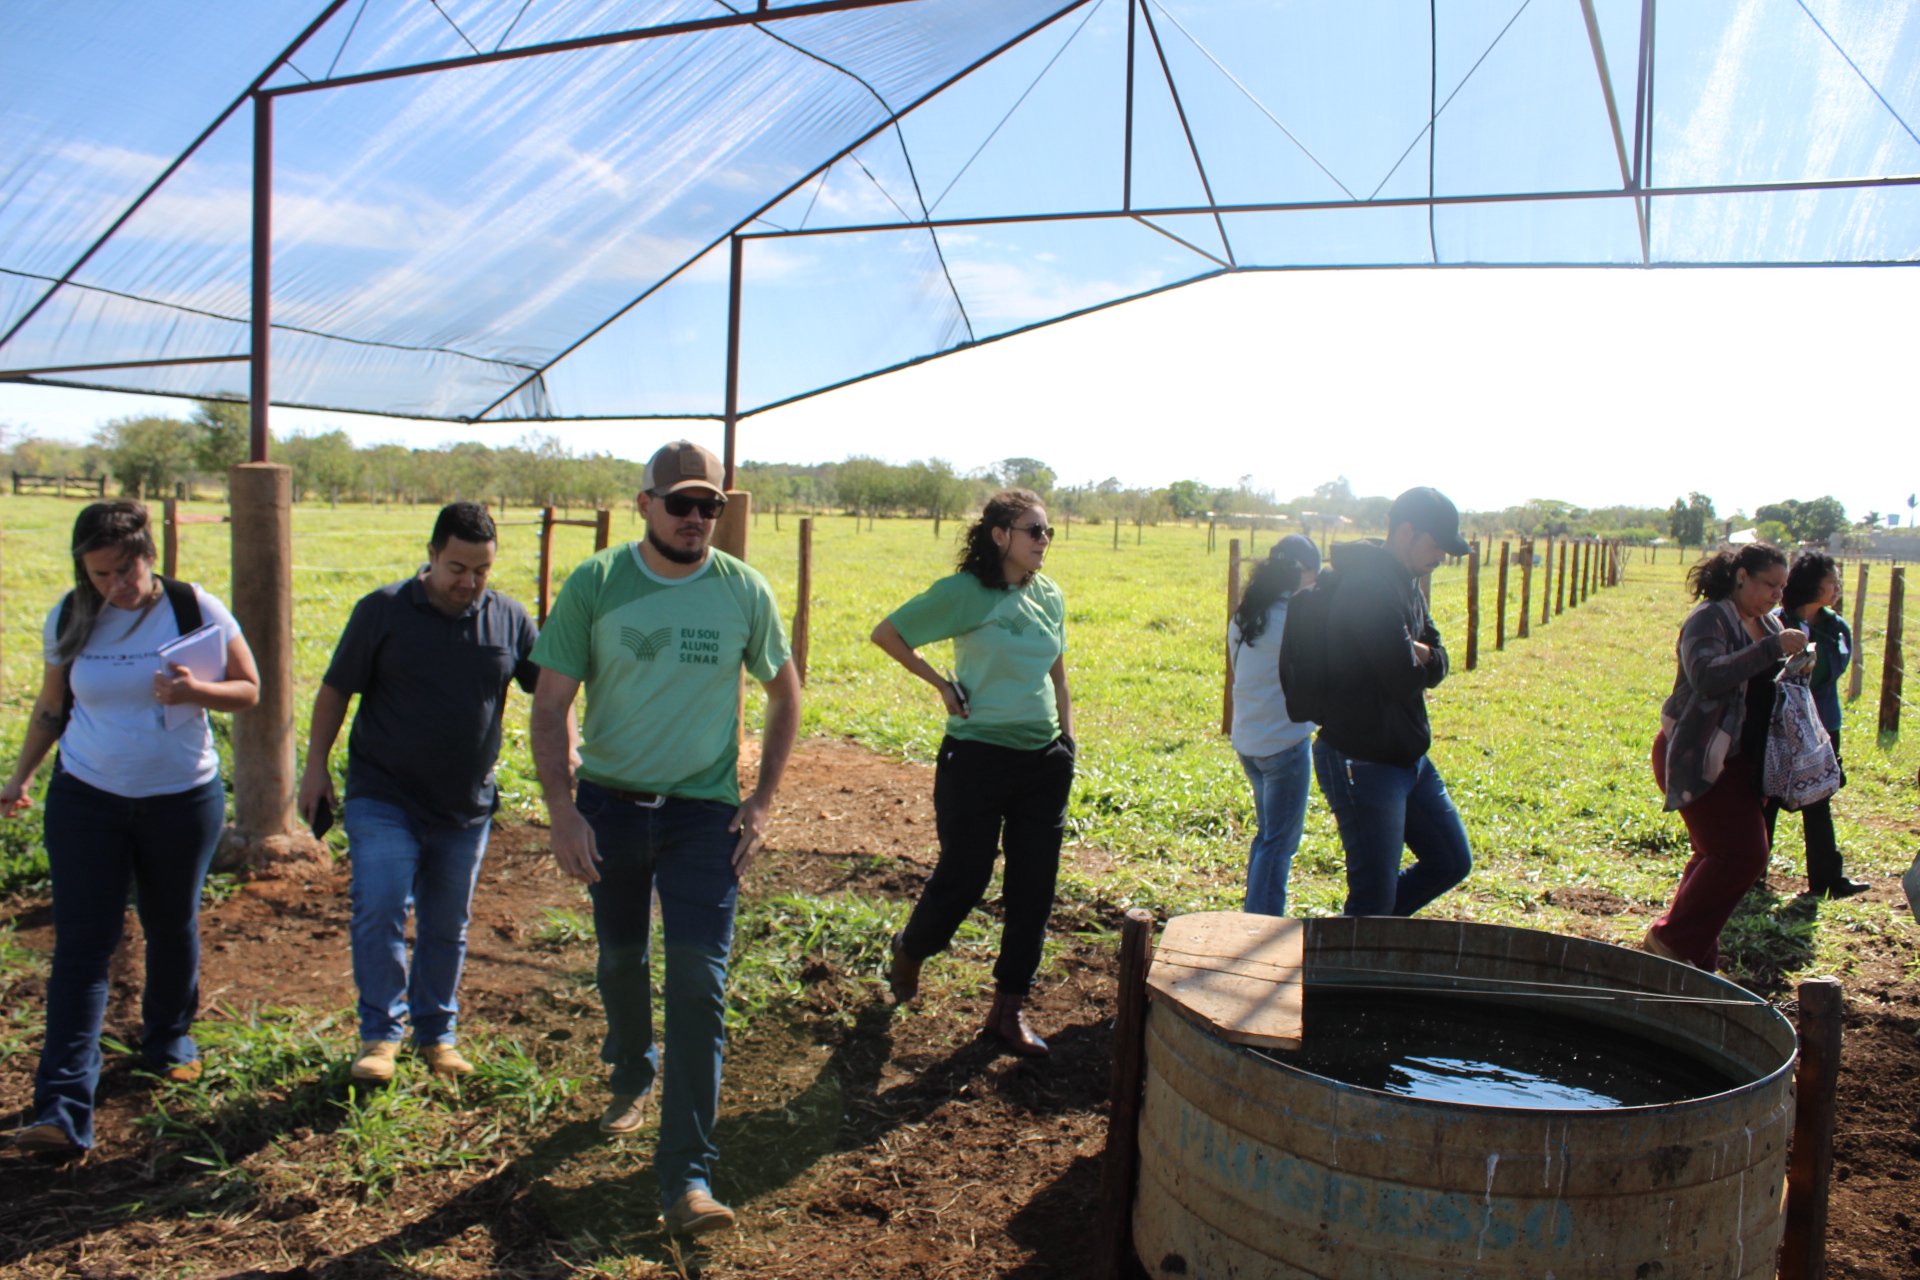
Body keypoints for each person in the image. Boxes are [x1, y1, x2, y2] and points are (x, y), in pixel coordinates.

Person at [528, 440, 800, 1239]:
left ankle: (686, 1177)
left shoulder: (743, 591)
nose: (694, 518)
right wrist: (562, 809)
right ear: (645, 504)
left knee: (698, 984)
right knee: (619, 957)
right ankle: (630, 1068)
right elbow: (549, 706)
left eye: (708, 505)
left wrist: (762, 801)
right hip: (608, 808)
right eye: (679, 503)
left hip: (699, 819)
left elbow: (786, 697)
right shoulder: (599, 583)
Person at [1, 502, 259, 1155]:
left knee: (170, 924)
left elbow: (249, 688)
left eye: (123, 570)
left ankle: (169, 1042)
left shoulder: (194, 606)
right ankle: (60, 1107)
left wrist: (194, 694)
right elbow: (52, 706)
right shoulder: (70, 614)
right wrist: (20, 776)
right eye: (98, 574)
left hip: (181, 800)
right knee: (83, 947)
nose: (114, 586)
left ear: (148, 553)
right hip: (87, 797)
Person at [297, 502, 543, 1084]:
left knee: (445, 923)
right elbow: (335, 691)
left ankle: (437, 1035)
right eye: (457, 567)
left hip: (465, 805)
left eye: (481, 569)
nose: (469, 582)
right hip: (384, 794)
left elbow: (550, 687)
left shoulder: (507, 618)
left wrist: (574, 748)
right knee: (380, 906)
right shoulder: (383, 611)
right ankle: (380, 1036)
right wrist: (315, 769)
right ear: (432, 555)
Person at [872, 488, 1074, 1059]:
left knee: (1034, 889)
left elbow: (1058, 673)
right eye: (1034, 531)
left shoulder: (1049, 595)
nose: (1044, 541)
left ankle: (1008, 1010)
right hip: (977, 759)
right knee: (965, 876)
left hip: (1044, 762)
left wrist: (1067, 740)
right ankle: (911, 950)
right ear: (1000, 536)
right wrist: (941, 684)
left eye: (1048, 531)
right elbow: (888, 634)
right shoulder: (964, 594)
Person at [1308, 487, 1473, 917]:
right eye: (1436, 543)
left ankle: (1368, 939)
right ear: (1405, 531)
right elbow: (1404, 679)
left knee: (1452, 860)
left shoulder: (1407, 584)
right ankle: (1352, 961)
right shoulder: (1367, 587)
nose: (1441, 556)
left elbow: (1439, 659)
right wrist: (1423, 655)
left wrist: (1420, 653)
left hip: (1408, 759)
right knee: (1372, 898)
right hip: (1362, 761)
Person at [1645, 543, 1805, 970]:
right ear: (1741, 577)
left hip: (1741, 760)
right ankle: (1672, 942)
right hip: (1700, 752)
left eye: (1782, 587)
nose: (1777, 594)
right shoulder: (1709, 618)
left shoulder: (1766, 622)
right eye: (1770, 584)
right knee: (1743, 854)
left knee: (1713, 854)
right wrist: (1772, 651)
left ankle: (1694, 962)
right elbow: (1707, 676)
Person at [1765, 550, 1868, 899]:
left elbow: (1828, 672)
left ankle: (1827, 880)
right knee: (1766, 797)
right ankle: (1753, 874)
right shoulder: (1775, 621)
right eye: (1832, 582)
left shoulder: (1836, 627)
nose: (1837, 588)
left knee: (1819, 799)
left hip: (1821, 726)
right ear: (1812, 586)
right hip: (1777, 726)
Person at [1228, 535, 1321, 916]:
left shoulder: (1248, 614)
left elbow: (1239, 669)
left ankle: (1253, 913)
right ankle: (1260, 928)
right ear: (1300, 572)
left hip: (1249, 741)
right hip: (1284, 744)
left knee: (1267, 838)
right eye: (1313, 575)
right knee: (1280, 844)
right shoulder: (1300, 618)